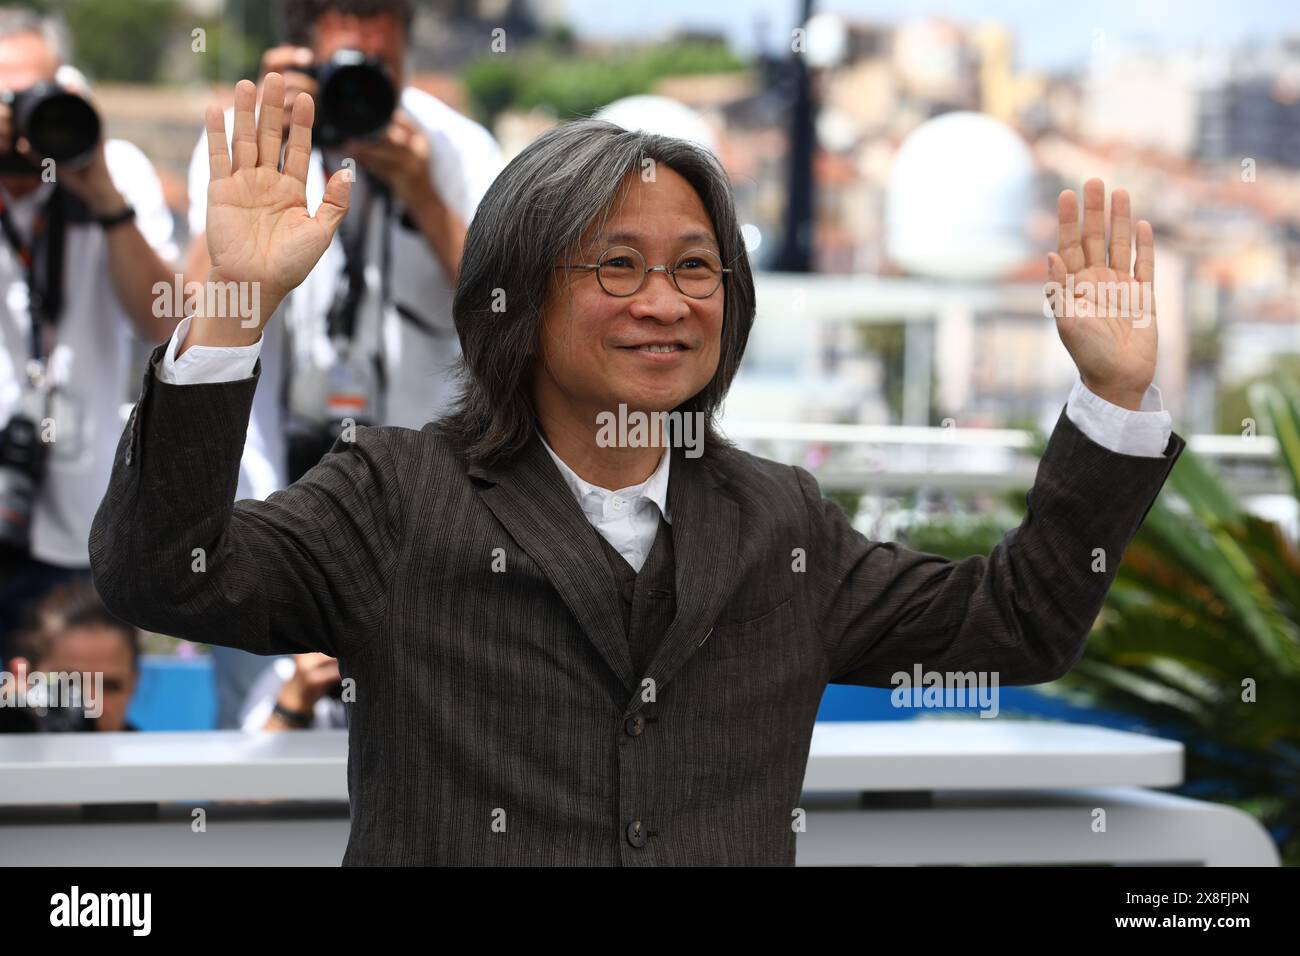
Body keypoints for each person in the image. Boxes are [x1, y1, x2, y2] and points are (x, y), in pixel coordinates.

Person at [91, 75, 1184, 865]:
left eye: (695, 268)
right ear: (515, 294)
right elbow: (166, 574)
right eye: (616, 265)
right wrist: (233, 308)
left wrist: (1111, 399)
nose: (666, 302)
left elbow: (1019, 624)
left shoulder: (780, 520)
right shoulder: (391, 495)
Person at [181, 0, 501, 728]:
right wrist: (268, 146)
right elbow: (189, 313)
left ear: (408, 60)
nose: (362, 90)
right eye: (341, 70)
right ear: (301, 59)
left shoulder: (455, 148)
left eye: (379, 71)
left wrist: (423, 192)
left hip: (419, 505)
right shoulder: (250, 137)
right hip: (265, 491)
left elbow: (508, 318)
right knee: (262, 726)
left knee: (421, 734)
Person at [0, 10, 179, 660]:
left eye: (32, 99)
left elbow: (164, 320)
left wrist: (98, 189)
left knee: (80, 732)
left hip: (81, 524)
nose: (17, 124)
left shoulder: (114, 172)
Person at [2, 580, 141, 733]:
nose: (92, 703)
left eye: (110, 687)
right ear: (25, 676)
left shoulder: (151, 755)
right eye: (70, 683)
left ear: (134, 684)